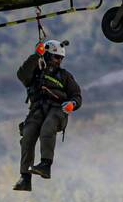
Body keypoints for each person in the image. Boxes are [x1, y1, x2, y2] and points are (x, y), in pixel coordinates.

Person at [14, 38, 81, 191]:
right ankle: (25, 177)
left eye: (60, 58)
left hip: (57, 111)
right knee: (28, 136)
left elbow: (77, 96)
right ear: (47, 55)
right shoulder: (34, 73)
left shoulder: (65, 76)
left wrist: (73, 104)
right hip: (37, 110)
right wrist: (36, 55)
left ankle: (45, 165)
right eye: (56, 57)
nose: (58, 61)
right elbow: (21, 74)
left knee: (48, 128)